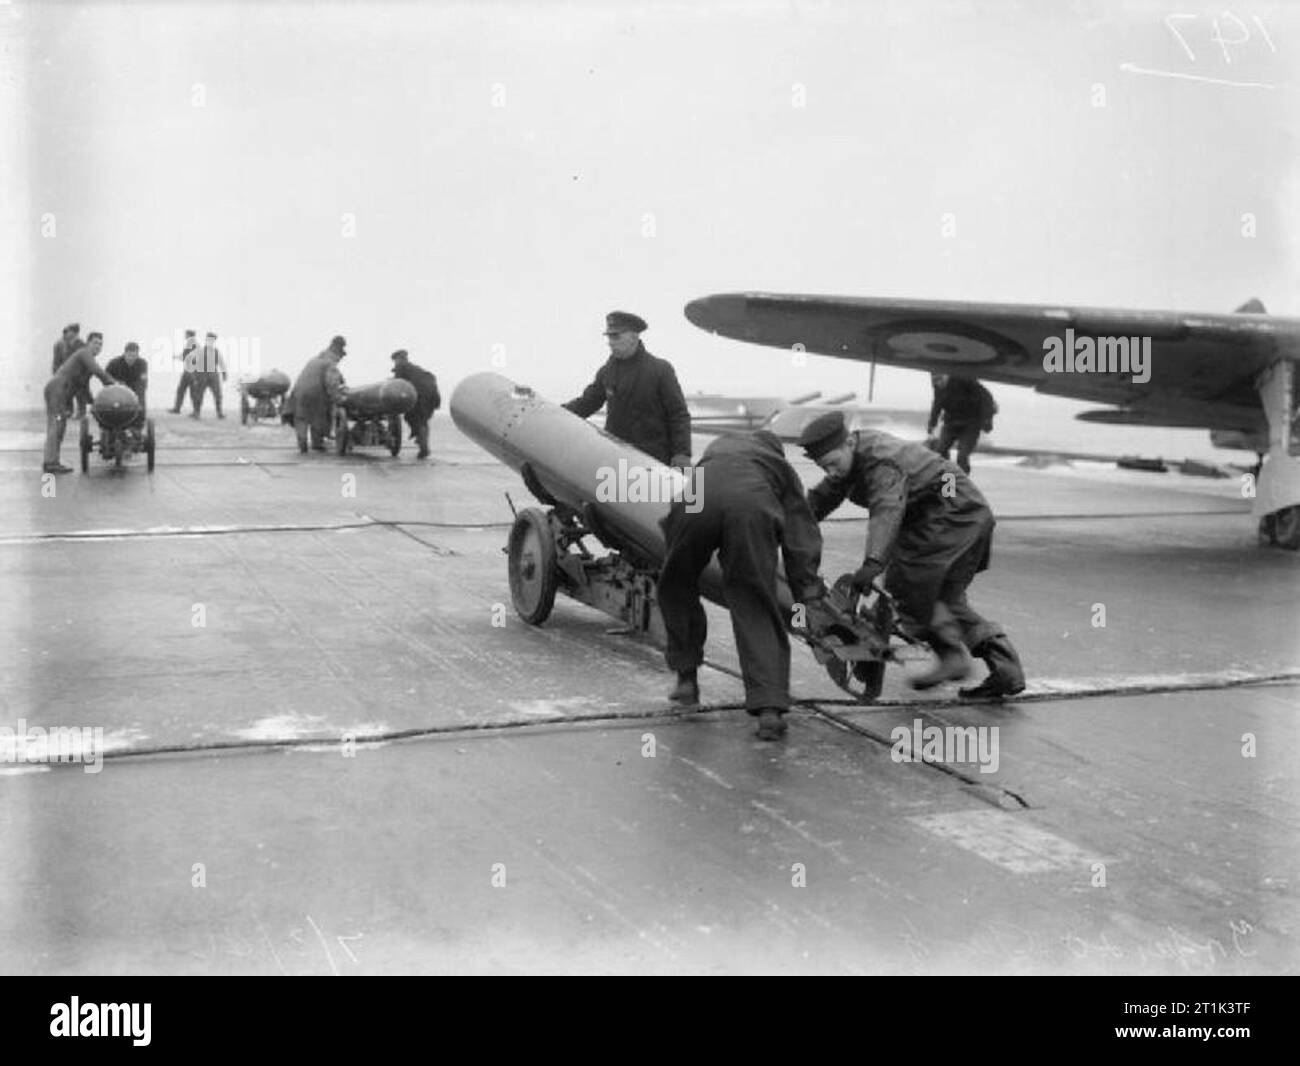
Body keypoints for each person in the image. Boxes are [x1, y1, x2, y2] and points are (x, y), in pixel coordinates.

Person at [799, 411, 1024, 699]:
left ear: (849, 444)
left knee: (909, 584)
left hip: (954, 513)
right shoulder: (848, 462)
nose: (830, 471)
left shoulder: (880, 460)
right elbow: (819, 500)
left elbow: (887, 507)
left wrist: (873, 562)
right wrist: (782, 529)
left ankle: (951, 655)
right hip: (952, 515)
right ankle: (1005, 670)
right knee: (943, 600)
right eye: (823, 467)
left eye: (831, 463)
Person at [657, 430, 828, 741]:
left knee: (677, 585)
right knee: (754, 600)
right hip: (750, 507)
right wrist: (808, 596)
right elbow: (800, 539)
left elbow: (678, 516)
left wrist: (677, 554)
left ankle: (686, 680)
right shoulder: (778, 466)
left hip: (697, 501)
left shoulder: (716, 449)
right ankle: (769, 709)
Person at [564, 311, 692, 468]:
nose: (610, 342)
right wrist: (555, 414)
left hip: (654, 462)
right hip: (615, 460)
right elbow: (586, 403)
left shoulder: (660, 370)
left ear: (634, 337)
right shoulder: (607, 372)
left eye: (616, 336)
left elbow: (679, 414)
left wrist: (682, 454)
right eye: (609, 337)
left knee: (692, 490)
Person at [43, 332, 115, 474]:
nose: (98, 346)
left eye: (100, 344)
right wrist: (113, 384)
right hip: (58, 390)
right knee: (56, 425)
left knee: (60, 426)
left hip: (62, 393)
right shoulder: (84, 354)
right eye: (95, 343)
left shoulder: (87, 362)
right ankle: (50, 463)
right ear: (88, 343)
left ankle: (53, 462)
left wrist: (96, 403)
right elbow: (98, 371)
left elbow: (84, 388)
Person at [926, 373, 997, 474]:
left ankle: (962, 480)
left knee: (962, 456)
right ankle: (946, 477)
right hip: (951, 423)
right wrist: (931, 425)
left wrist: (987, 420)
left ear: (946, 376)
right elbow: (936, 406)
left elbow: (986, 397)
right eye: (935, 382)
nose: (938, 384)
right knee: (941, 449)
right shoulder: (938, 388)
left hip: (970, 424)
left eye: (939, 380)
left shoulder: (963, 380)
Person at [287, 335, 348, 453]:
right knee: (319, 416)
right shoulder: (330, 363)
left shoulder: (314, 360)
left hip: (298, 391)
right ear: (338, 354)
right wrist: (339, 399)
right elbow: (332, 384)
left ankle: (302, 442)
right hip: (315, 394)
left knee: (301, 417)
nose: (340, 360)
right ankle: (317, 443)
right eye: (340, 357)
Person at [390, 349, 440, 459]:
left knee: (414, 419)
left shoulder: (401, 367)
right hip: (431, 396)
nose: (396, 362)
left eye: (396, 360)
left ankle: (423, 446)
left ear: (398, 359)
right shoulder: (416, 369)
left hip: (419, 396)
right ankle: (422, 442)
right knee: (423, 421)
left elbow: (397, 383)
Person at [105, 342, 149, 429]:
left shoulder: (142, 363)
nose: (131, 358)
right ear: (124, 354)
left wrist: (138, 400)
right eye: (129, 355)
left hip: (134, 386)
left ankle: (138, 423)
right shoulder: (114, 363)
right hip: (117, 386)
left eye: (134, 356)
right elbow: (105, 377)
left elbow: (143, 382)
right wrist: (115, 383)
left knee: (140, 398)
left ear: (137, 355)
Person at [52, 323, 89, 418]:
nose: (67, 333)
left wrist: (83, 375)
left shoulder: (81, 344)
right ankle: (69, 411)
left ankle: (81, 412)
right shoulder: (65, 344)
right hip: (68, 374)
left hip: (80, 374)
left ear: (75, 333)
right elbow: (60, 360)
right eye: (67, 331)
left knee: (80, 393)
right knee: (67, 392)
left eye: (69, 331)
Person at [189, 331, 227, 418]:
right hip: (202, 374)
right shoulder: (200, 351)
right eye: (209, 339)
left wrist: (224, 373)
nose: (211, 341)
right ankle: (196, 412)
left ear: (214, 341)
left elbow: (221, 363)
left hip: (213, 375)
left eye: (212, 340)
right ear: (206, 340)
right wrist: (194, 375)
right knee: (198, 394)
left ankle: (219, 412)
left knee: (218, 394)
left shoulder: (216, 352)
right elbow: (193, 363)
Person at [170, 330, 199, 413]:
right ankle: (196, 411)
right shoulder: (196, 344)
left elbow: (185, 356)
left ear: (189, 335)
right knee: (192, 391)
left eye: (186, 334)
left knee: (182, 390)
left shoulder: (190, 343)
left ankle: (177, 409)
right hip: (193, 371)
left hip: (189, 372)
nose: (184, 335)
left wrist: (175, 357)